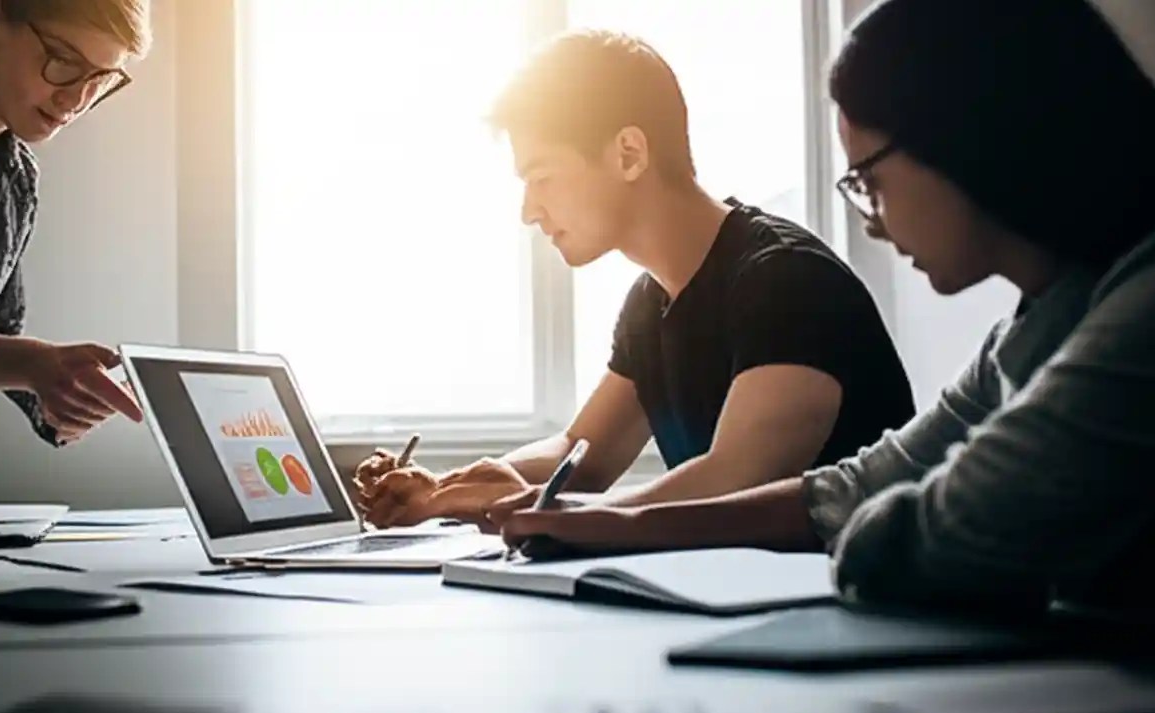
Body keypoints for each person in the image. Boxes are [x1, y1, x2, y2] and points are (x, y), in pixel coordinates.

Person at [494, 0, 1155, 617]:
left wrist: (845, 523)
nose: (874, 222)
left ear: (967, 137)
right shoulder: (1033, 329)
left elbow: (939, 533)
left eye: (870, 179)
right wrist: (625, 527)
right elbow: (854, 485)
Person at [356, 30, 914, 529]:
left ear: (629, 152)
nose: (529, 211)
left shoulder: (787, 279)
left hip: (864, 610)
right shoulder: (652, 302)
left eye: (543, 178)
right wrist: (449, 487)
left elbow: (734, 481)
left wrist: (513, 508)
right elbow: (580, 454)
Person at [0, 0, 150, 472]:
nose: (76, 100)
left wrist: (60, 402)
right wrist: (35, 367)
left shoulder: (18, 179)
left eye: (99, 79)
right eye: (64, 62)